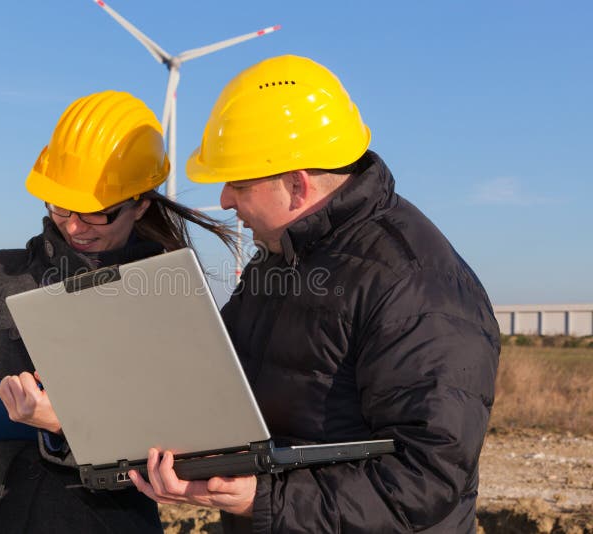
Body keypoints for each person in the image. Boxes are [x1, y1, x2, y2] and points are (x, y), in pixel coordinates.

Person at [129, 55, 500, 533]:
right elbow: (221, 379)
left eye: (238, 183)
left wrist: (260, 499)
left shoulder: (417, 287)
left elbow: (424, 478)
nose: (223, 200)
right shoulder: (282, 257)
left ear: (296, 186)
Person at [0, 90, 236, 534]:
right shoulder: (5, 269)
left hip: (95, 517)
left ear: (140, 203)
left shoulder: (169, 290)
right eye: (62, 205)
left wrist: (61, 423)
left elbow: (179, 436)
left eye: (96, 214)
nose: (73, 225)